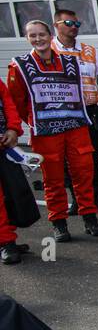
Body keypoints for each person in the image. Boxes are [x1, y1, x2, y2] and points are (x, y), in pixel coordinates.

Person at [6, 20, 98, 243]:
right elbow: (18, 102)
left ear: (50, 36)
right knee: (53, 180)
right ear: (27, 38)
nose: (38, 39)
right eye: (32, 36)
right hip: (46, 132)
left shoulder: (71, 62)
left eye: (42, 34)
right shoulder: (19, 65)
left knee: (84, 174)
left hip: (76, 128)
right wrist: (36, 120)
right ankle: (58, 223)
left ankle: (90, 218)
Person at [51, 7, 98, 215]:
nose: (74, 28)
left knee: (93, 158)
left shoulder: (88, 50)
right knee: (68, 161)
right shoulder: (48, 51)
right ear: (56, 25)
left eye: (77, 24)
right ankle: (77, 200)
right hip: (65, 114)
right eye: (69, 24)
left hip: (90, 112)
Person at [0, 78, 26, 264]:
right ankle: (6, 242)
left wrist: (13, 129)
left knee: (13, 193)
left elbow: (9, 105)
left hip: (4, 146)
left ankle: (8, 238)